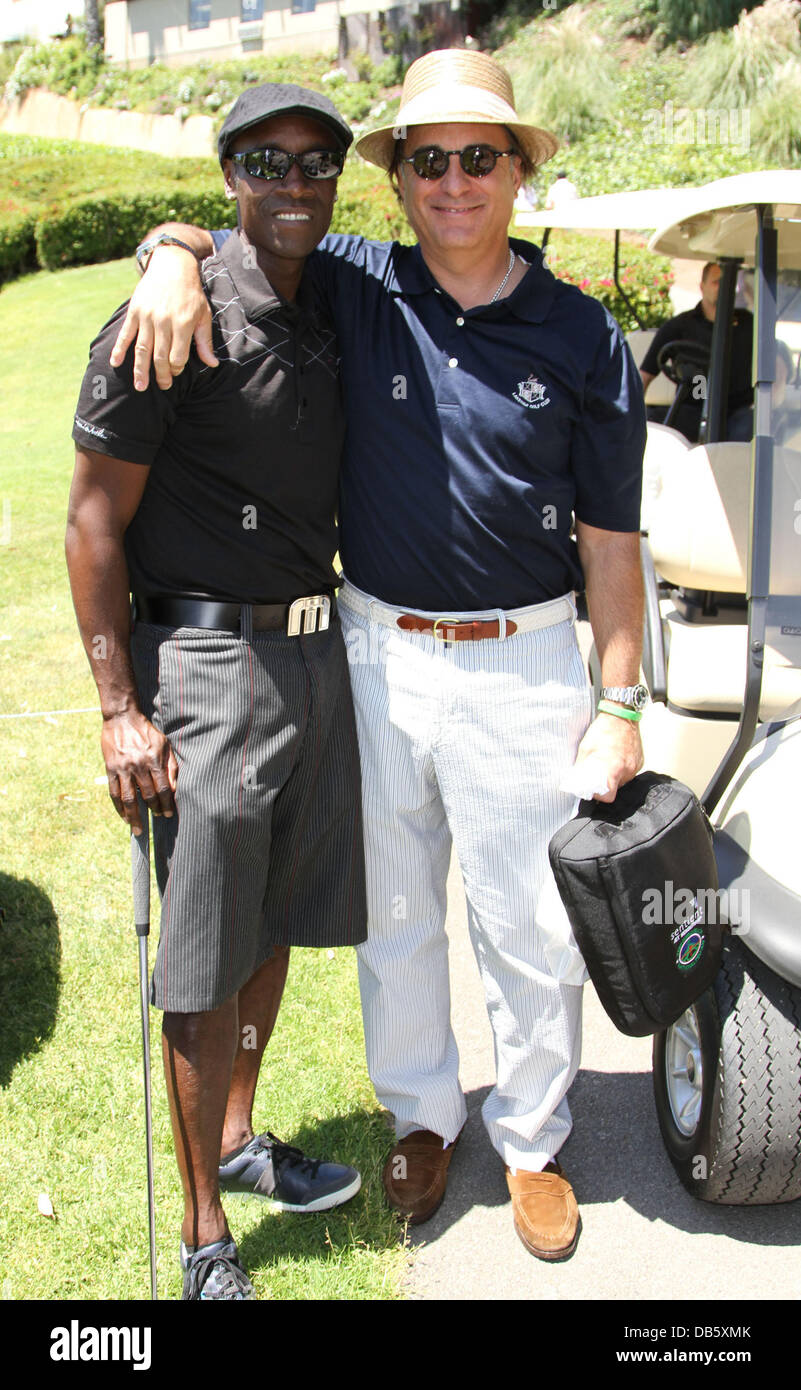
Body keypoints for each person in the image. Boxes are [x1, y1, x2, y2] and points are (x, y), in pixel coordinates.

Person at [111, 48, 647, 1264]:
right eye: (427, 160)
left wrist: (619, 697)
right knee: (395, 916)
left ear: (516, 170)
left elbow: (615, 544)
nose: (453, 180)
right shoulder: (358, 281)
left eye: (478, 156)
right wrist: (171, 253)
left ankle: (531, 1137)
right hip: (377, 653)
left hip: (527, 663)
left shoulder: (582, 335)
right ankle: (423, 1114)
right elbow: (235, 218)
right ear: (398, 180)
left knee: (528, 925)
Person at [65, 84, 368, 1300]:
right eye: (265, 162)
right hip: (201, 670)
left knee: (275, 924)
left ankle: (238, 1138)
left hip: (313, 657)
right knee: (201, 964)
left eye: (315, 163)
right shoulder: (163, 324)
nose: (293, 184)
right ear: (228, 174)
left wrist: (175, 239)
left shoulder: (335, 294)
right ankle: (203, 1237)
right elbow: (90, 525)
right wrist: (115, 708)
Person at [639, 261, 754, 442]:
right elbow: (645, 375)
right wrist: (631, 419)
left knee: (747, 430)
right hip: (691, 408)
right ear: (702, 287)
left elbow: (776, 361)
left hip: (737, 412)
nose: (723, 288)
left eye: (728, 284)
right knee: (650, 424)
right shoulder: (680, 326)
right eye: (716, 282)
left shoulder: (748, 323)